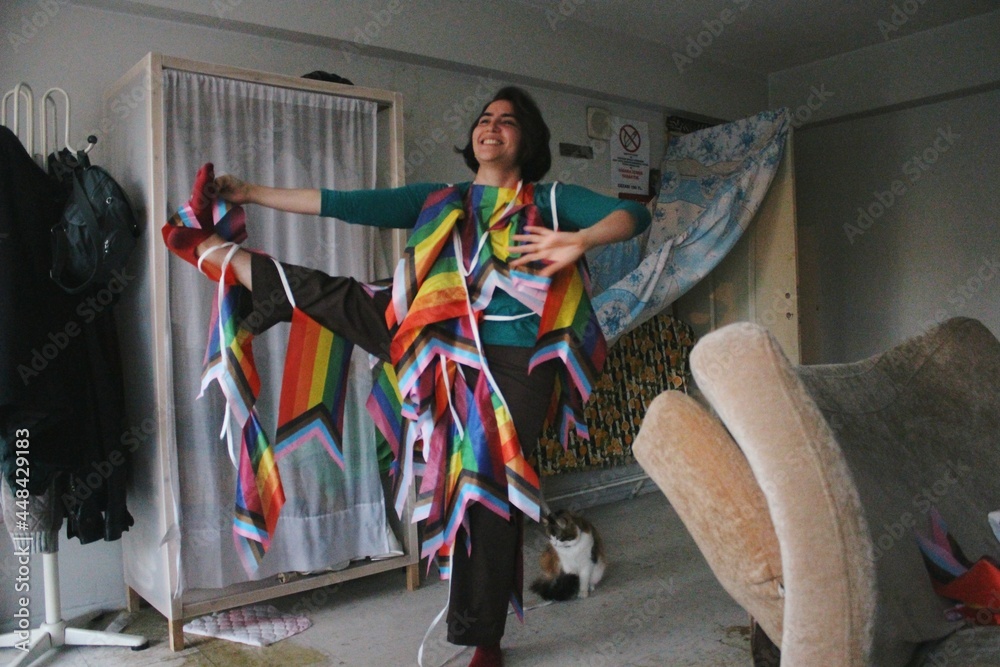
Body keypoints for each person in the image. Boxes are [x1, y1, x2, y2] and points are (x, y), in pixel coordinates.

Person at [165, 86, 650, 667]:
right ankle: (217, 254)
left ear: (529, 140)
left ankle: (485, 640)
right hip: (431, 339)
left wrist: (579, 240)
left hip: (513, 367)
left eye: (508, 121)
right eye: (485, 118)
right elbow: (341, 202)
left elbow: (634, 216)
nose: (492, 127)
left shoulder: (548, 201)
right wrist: (250, 193)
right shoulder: (439, 200)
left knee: (487, 491)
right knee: (334, 295)